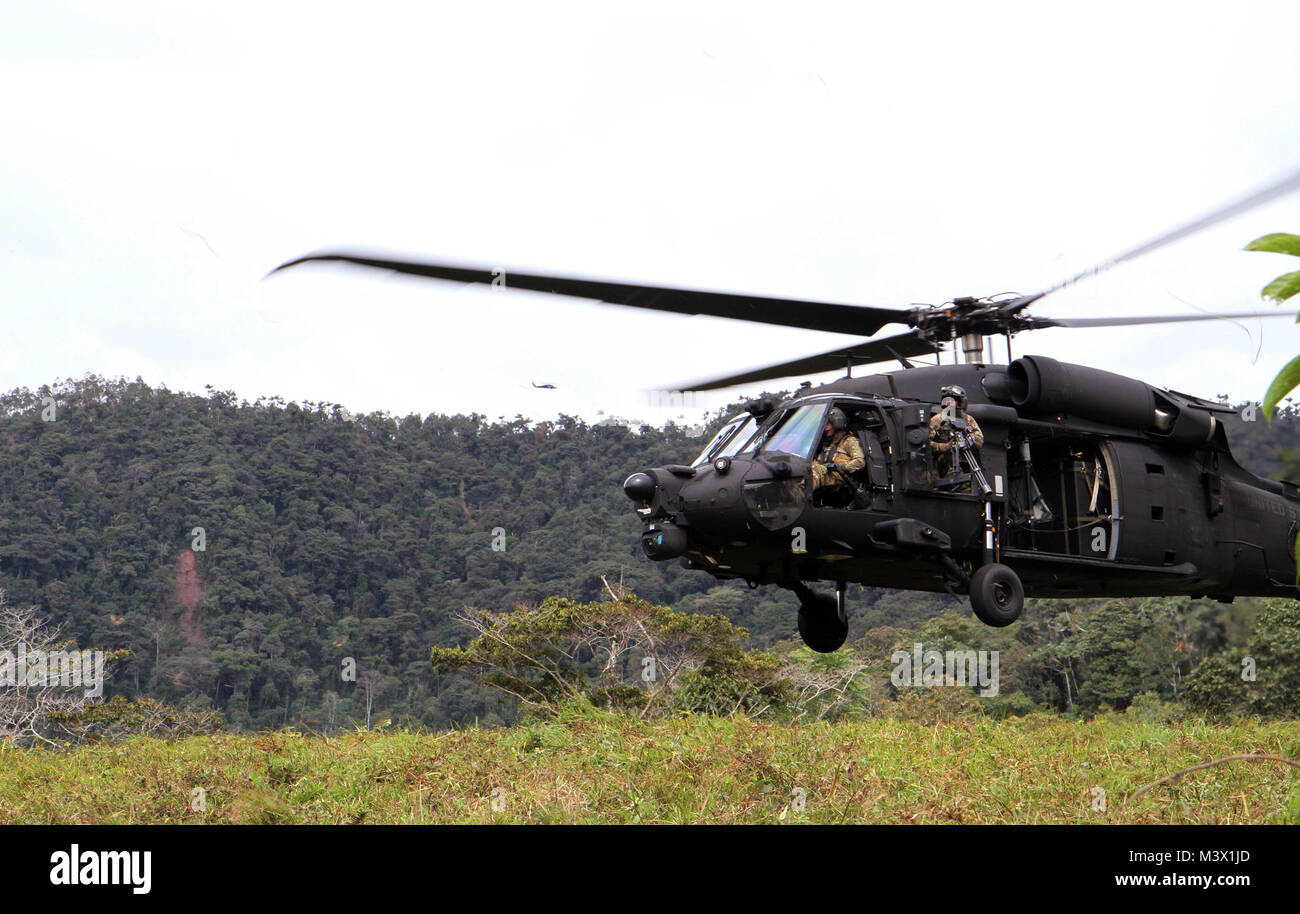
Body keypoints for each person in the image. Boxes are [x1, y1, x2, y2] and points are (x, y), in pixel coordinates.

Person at [929, 385, 983, 481]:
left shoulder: (968, 420)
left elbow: (979, 440)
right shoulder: (937, 420)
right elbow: (925, 444)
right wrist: (943, 446)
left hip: (966, 467)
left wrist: (967, 435)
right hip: (943, 472)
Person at [812, 407, 865, 490]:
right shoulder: (828, 444)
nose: (825, 428)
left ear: (837, 423)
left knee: (813, 473)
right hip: (825, 477)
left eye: (828, 424)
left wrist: (838, 467)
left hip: (840, 481)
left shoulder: (849, 441)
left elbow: (860, 462)